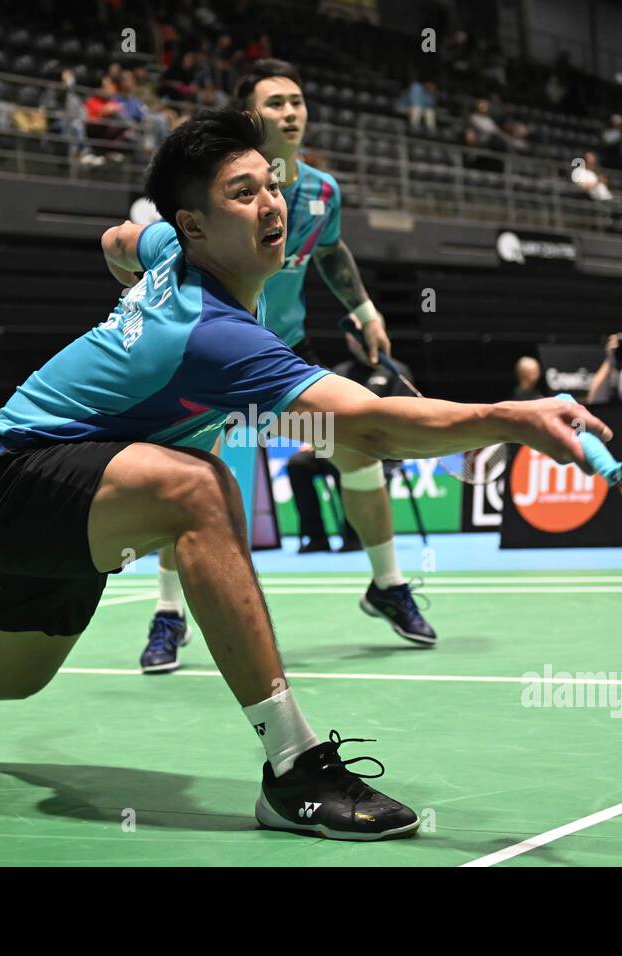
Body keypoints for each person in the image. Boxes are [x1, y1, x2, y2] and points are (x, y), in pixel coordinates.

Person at [0, 109, 611, 841]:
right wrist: (515, 418)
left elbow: (119, 236)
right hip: (15, 479)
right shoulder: (216, 335)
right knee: (198, 486)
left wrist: (132, 272)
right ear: (198, 226)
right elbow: (371, 424)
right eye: (244, 194)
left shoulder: (173, 248)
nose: (272, 204)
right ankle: (294, 767)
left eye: (271, 185)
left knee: (1, 674)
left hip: (56, 489)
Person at [137, 59, 437, 677]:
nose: (291, 112)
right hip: (213, 357)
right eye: (275, 103)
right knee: (189, 476)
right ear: (249, 115)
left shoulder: (322, 192)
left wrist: (365, 309)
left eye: (297, 101)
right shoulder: (212, 188)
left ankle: (388, 585)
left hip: (286, 357)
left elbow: (330, 248)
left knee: (357, 449)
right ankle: (169, 614)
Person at [286, 351, 415, 558]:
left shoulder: (396, 371)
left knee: (342, 461)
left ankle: (355, 535)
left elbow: (402, 417)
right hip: (339, 441)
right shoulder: (341, 371)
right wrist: (315, 438)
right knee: (298, 464)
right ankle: (316, 537)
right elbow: (324, 410)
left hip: (379, 446)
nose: (355, 340)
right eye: (351, 336)